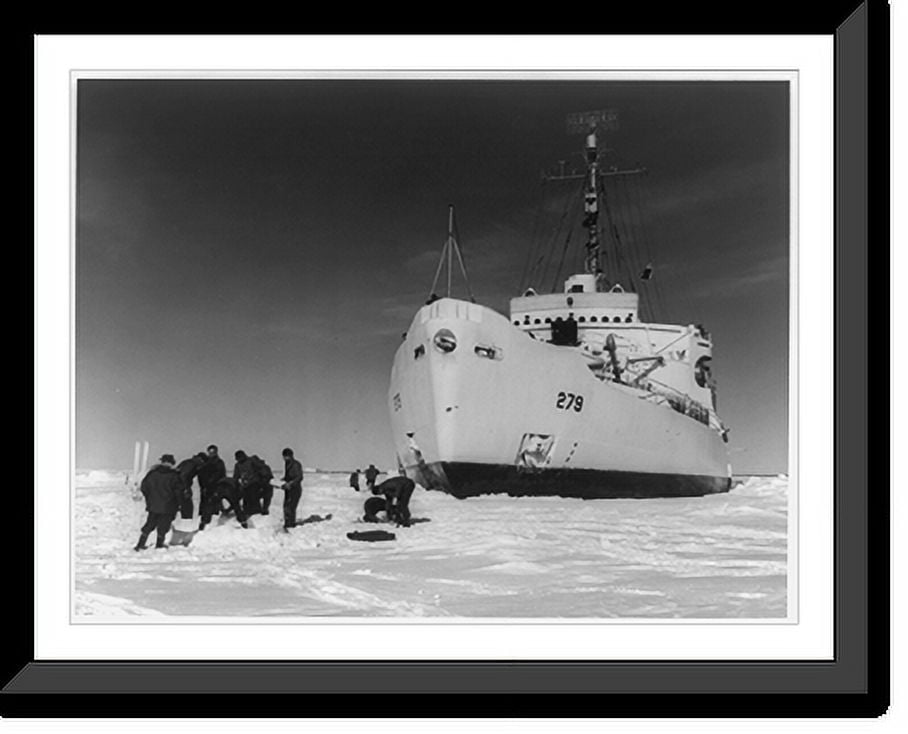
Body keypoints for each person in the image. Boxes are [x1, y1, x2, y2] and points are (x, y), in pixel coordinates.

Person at [135, 454, 183, 550]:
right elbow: (178, 491)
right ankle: (159, 545)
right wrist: (179, 504)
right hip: (168, 506)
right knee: (163, 526)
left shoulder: (152, 473)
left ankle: (140, 544)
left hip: (153, 505)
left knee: (149, 524)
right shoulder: (174, 475)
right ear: (171, 463)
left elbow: (144, 487)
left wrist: (149, 498)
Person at [197, 444, 227, 530]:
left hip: (215, 487)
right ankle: (204, 522)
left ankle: (208, 523)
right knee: (206, 505)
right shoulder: (206, 463)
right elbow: (201, 474)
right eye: (210, 452)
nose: (211, 454)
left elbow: (221, 474)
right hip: (205, 488)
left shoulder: (219, 462)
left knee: (213, 505)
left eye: (213, 452)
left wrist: (213, 483)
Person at [175, 452, 206, 520]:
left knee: (178, 506)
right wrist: (186, 489)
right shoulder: (192, 464)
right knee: (187, 507)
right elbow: (183, 476)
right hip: (180, 488)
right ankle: (185, 525)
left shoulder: (187, 462)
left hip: (175, 487)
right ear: (200, 459)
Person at [233, 450, 263, 516]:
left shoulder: (251, 461)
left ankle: (256, 513)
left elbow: (260, 469)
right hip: (245, 485)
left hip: (255, 483)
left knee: (254, 498)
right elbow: (236, 476)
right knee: (246, 499)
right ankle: (247, 513)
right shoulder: (237, 465)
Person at [280, 447, 303, 530]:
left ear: (290, 456)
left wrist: (290, 483)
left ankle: (290, 525)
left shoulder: (296, 464)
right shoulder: (287, 464)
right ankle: (287, 523)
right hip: (288, 489)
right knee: (286, 506)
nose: (284, 458)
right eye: (284, 456)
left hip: (295, 489)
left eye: (286, 456)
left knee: (291, 507)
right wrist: (284, 479)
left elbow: (299, 477)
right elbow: (289, 476)